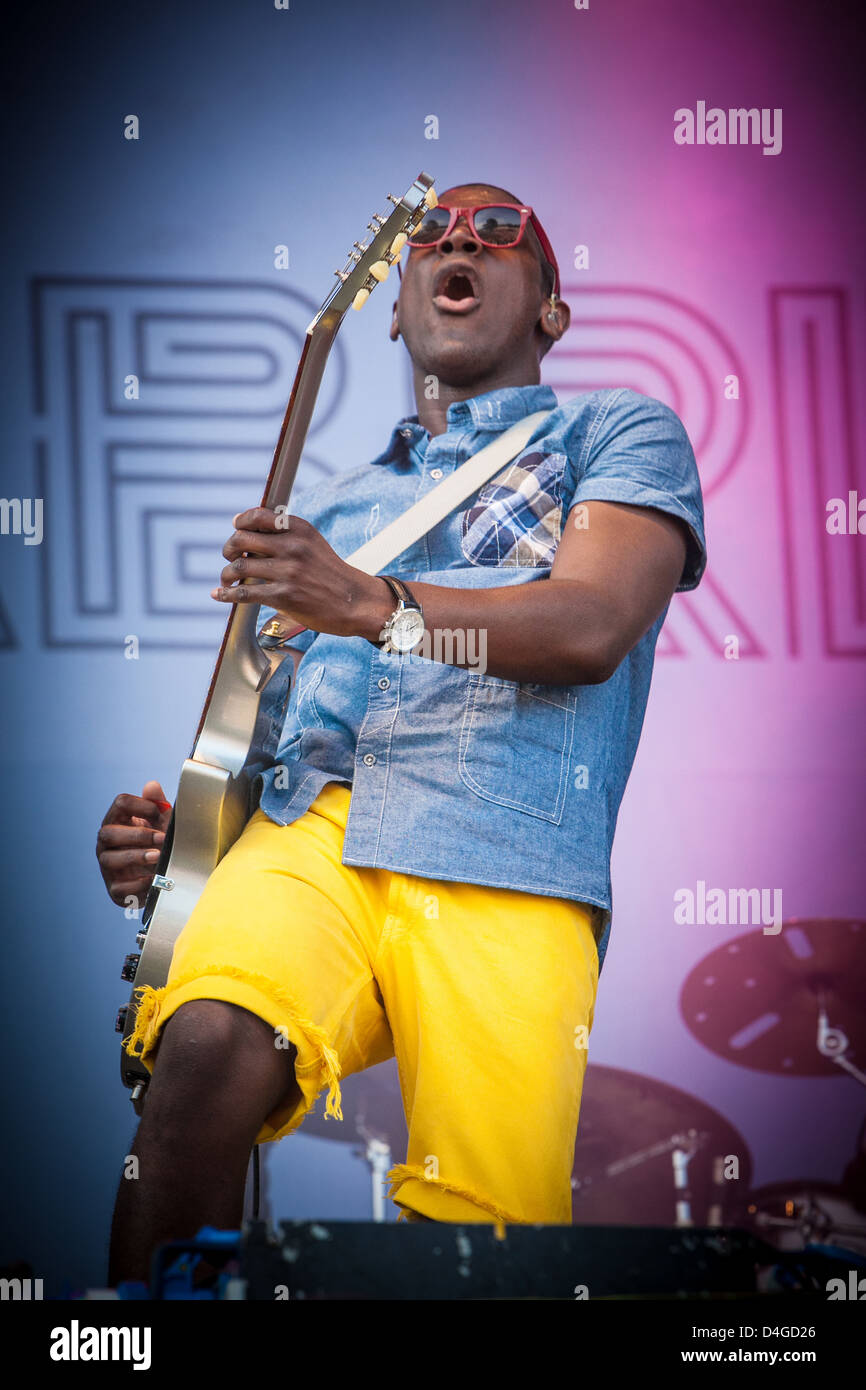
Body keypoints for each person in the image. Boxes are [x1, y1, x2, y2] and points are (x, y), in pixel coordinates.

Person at [97, 182, 706, 1284]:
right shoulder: (329, 506)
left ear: (548, 312)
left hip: (502, 845)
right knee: (206, 1046)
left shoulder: (616, 431)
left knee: (480, 1244)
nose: (457, 239)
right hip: (309, 836)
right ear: (394, 303)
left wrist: (370, 604)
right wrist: (176, 847)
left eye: (498, 230)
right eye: (431, 233)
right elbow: (266, 740)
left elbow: (589, 627)